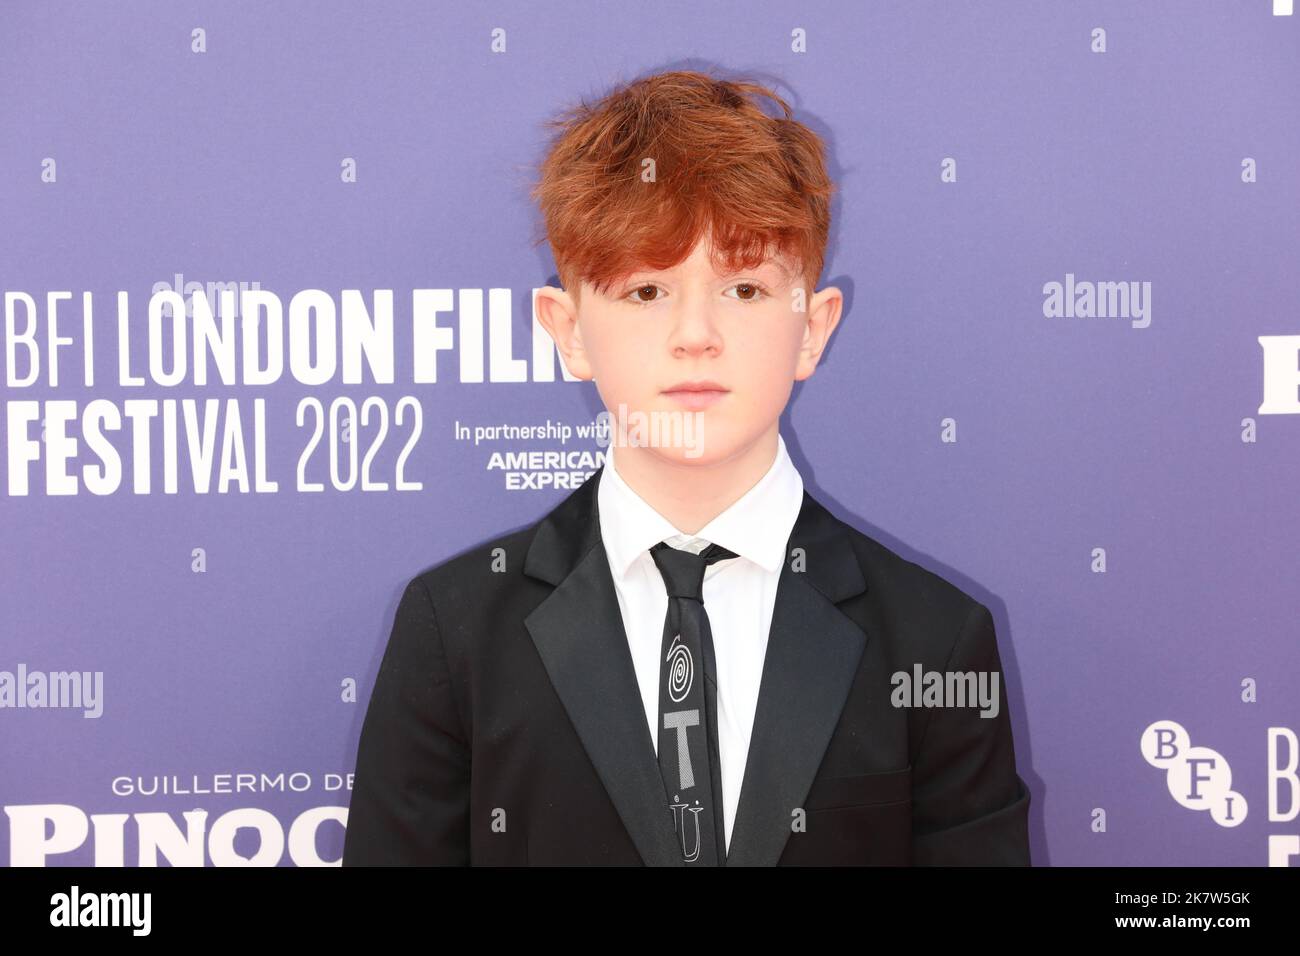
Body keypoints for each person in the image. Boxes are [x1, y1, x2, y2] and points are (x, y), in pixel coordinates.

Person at [342, 68, 1031, 866]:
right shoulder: (454, 633)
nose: (695, 334)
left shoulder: (935, 641)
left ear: (813, 327)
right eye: (644, 293)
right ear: (566, 330)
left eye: (743, 287)